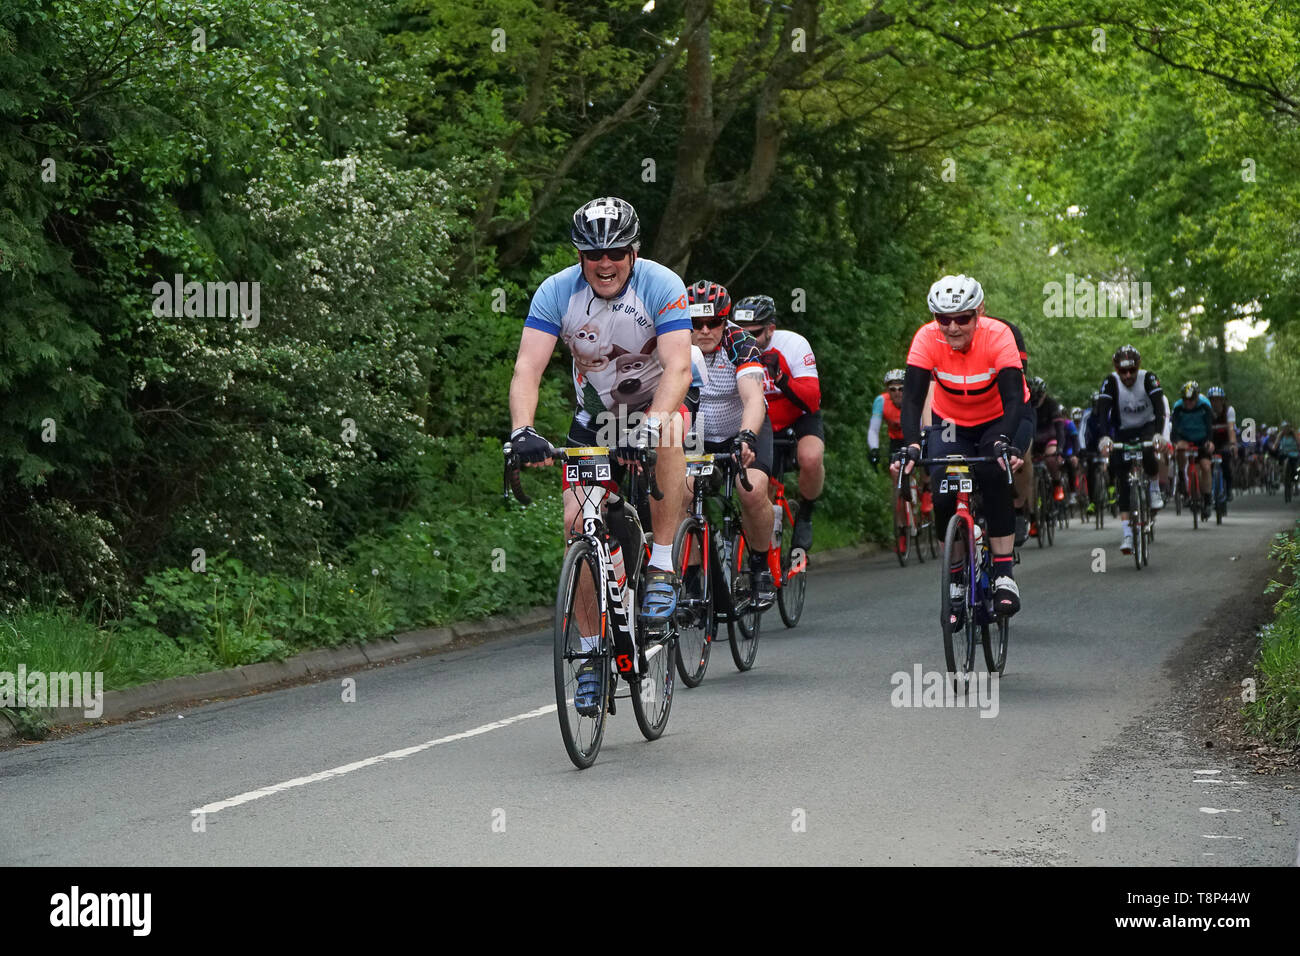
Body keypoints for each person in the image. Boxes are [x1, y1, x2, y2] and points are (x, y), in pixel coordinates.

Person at [508, 197, 691, 713]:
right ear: (580, 256)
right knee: (577, 523)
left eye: (614, 252)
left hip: (659, 400)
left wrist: (651, 423)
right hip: (597, 414)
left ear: (634, 251)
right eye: (593, 254)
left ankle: (659, 566)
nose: (604, 263)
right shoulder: (556, 293)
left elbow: (678, 367)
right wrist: (522, 431)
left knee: (673, 430)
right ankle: (591, 655)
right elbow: (528, 369)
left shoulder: (661, 284)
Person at [893, 274, 1026, 617]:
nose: (952, 328)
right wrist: (911, 445)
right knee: (942, 490)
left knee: (995, 475)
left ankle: (1003, 573)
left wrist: (1003, 441)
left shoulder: (999, 336)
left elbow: (1014, 399)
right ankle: (954, 576)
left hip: (997, 417)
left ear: (978, 313)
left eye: (962, 319)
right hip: (951, 424)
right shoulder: (926, 338)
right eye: (943, 319)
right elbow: (911, 399)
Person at [686, 279, 777, 605]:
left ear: (726, 322)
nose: (705, 330)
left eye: (714, 323)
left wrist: (747, 436)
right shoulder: (674, 343)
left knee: (750, 489)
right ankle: (693, 582)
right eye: (696, 324)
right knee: (681, 494)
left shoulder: (741, 342)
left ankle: (759, 567)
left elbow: (753, 398)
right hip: (697, 432)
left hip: (743, 427)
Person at [732, 295, 824, 552]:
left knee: (811, 458)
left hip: (798, 416)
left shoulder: (794, 344)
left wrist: (782, 378)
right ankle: (763, 560)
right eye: (742, 333)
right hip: (761, 422)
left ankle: (806, 513)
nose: (748, 340)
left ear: (771, 328)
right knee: (761, 492)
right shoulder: (731, 345)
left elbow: (812, 401)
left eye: (756, 333)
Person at [1096, 344, 1166, 554]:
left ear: (1139, 367)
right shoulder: (1110, 382)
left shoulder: (1149, 378)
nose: (1128, 375)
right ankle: (1127, 534)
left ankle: (1153, 488)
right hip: (1122, 429)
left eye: (1132, 370)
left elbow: (1160, 407)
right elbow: (1102, 413)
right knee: (1123, 477)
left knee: (1148, 451)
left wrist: (1158, 433)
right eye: (1123, 371)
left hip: (1147, 426)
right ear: (1116, 369)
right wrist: (1105, 438)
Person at [1170, 380, 1216, 520]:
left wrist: (1209, 442)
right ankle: (1182, 478)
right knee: (1180, 453)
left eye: (1192, 400)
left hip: (1202, 439)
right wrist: (1177, 442)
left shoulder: (1205, 405)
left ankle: (1207, 500)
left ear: (1197, 397)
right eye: (1186, 400)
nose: (1189, 403)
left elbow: (1209, 428)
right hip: (1185, 438)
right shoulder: (1178, 407)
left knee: (1206, 467)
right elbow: (1174, 430)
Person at [1207, 386, 1238, 501]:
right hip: (1211, 441)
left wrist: (1233, 444)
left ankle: (1228, 489)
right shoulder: (1206, 411)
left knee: (1226, 463)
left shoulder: (1229, 410)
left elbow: (1231, 429)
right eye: (1213, 399)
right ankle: (1208, 492)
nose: (1216, 402)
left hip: (1225, 441)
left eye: (1218, 399)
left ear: (1223, 400)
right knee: (1206, 464)